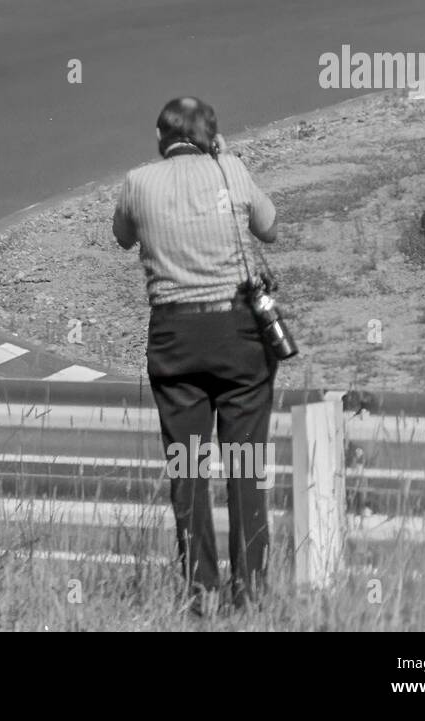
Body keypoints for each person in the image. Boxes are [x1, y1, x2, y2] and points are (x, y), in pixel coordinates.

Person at [112, 96, 279, 616]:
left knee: (187, 470)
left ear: (161, 139)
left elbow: (121, 237)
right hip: (237, 336)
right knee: (244, 468)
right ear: (212, 136)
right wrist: (222, 159)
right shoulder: (229, 168)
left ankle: (200, 593)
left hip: (175, 338)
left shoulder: (138, 182)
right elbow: (270, 227)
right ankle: (250, 593)